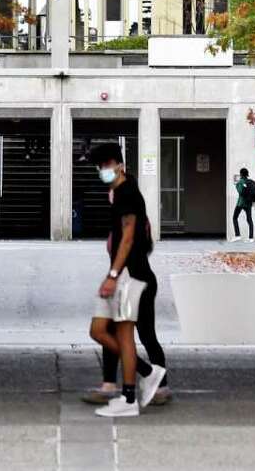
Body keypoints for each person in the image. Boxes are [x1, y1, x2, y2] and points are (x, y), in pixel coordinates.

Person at [85, 143, 166, 418]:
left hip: (130, 274)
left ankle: (129, 397)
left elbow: (129, 237)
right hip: (123, 273)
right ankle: (146, 371)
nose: (102, 171)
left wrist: (113, 275)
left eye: (105, 165)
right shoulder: (119, 192)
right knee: (98, 329)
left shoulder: (128, 192)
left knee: (124, 333)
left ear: (118, 164)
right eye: (99, 167)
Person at [232, 168, 255, 241]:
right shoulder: (250, 182)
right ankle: (251, 238)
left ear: (241, 174)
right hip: (249, 203)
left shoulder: (240, 182)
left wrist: (236, 185)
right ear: (247, 174)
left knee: (234, 218)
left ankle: (237, 235)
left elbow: (240, 192)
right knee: (249, 219)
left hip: (241, 203)